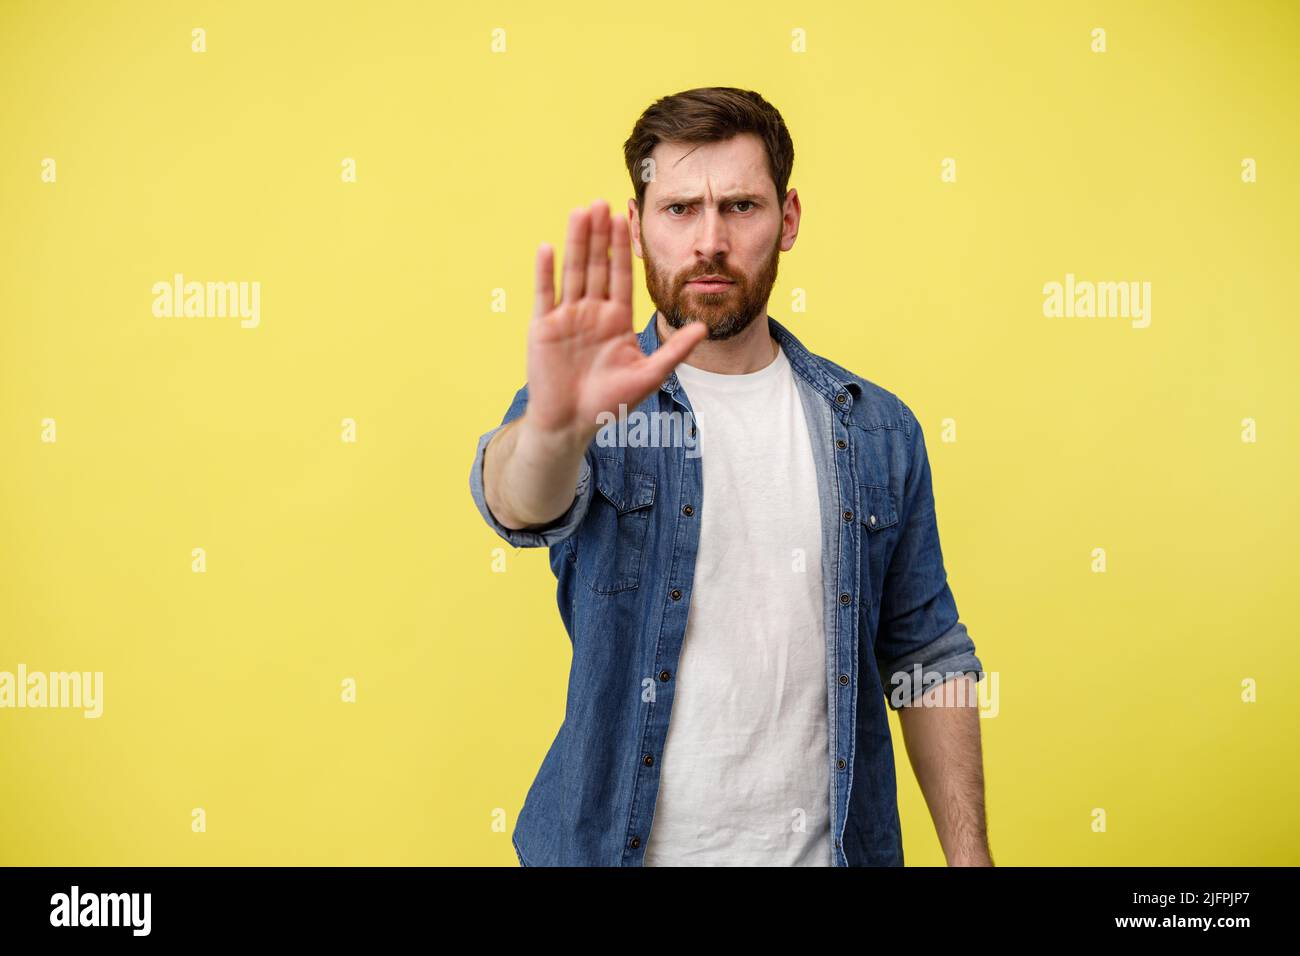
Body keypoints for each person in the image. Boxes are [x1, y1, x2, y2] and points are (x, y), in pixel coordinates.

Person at [469, 87, 991, 867]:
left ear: (787, 222)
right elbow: (518, 499)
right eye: (679, 209)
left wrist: (970, 858)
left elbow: (926, 652)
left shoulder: (877, 429)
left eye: (740, 207)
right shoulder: (590, 406)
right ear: (639, 225)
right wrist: (554, 427)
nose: (709, 240)